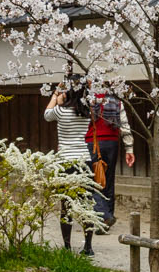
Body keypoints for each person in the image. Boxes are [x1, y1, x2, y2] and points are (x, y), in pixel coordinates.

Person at [44, 78, 96, 254]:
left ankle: (67, 247)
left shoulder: (61, 111)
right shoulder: (86, 111)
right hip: (84, 159)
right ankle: (88, 247)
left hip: (65, 161)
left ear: (68, 92)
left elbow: (47, 114)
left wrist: (55, 94)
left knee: (66, 205)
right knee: (86, 204)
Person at [82, 81, 134, 246]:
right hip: (112, 142)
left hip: (92, 142)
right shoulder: (115, 99)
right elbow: (124, 124)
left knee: (94, 181)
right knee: (108, 180)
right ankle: (107, 217)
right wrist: (129, 148)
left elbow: (81, 123)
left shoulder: (86, 98)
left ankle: (104, 216)